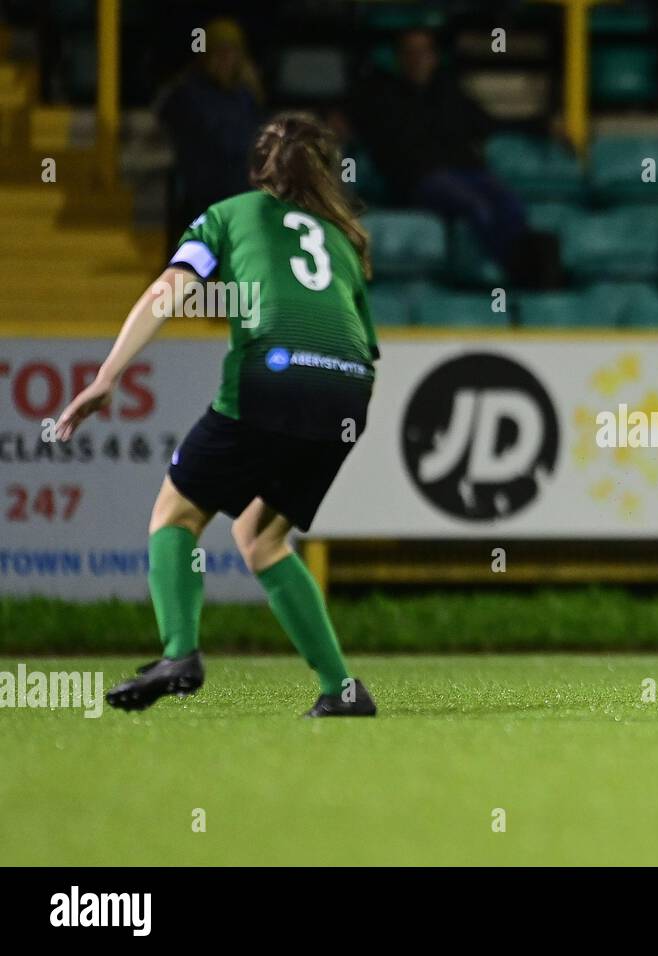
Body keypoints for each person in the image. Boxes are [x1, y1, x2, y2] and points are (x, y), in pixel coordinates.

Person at [55, 113, 380, 717]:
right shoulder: (342, 238)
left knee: (175, 515)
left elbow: (170, 289)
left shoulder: (228, 214)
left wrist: (107, 377)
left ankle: (179, 653)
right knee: (260, 537)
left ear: (259, 169)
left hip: (274, 376)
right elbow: (362, 340)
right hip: (348, 391)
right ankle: (342, 691)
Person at [350, 27, 562, 287]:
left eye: (424, 52)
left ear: (434, 57)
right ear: (400, 58)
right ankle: (520, 270)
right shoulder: (383, 98)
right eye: (411, 52)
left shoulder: (450, 93)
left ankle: (525, 267)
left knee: (510, 204)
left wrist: (540, 125)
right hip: (424, 181)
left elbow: (489, 123)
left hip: (468, 173)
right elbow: (357, 127)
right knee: (477, 207)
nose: (418, 59)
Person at [157, 18, 264, 248]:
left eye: (232, 52)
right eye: (220, 52)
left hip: (240, 194)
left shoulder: (246, 96)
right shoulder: (188, 93)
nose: (226, 59)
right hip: (204, 196)